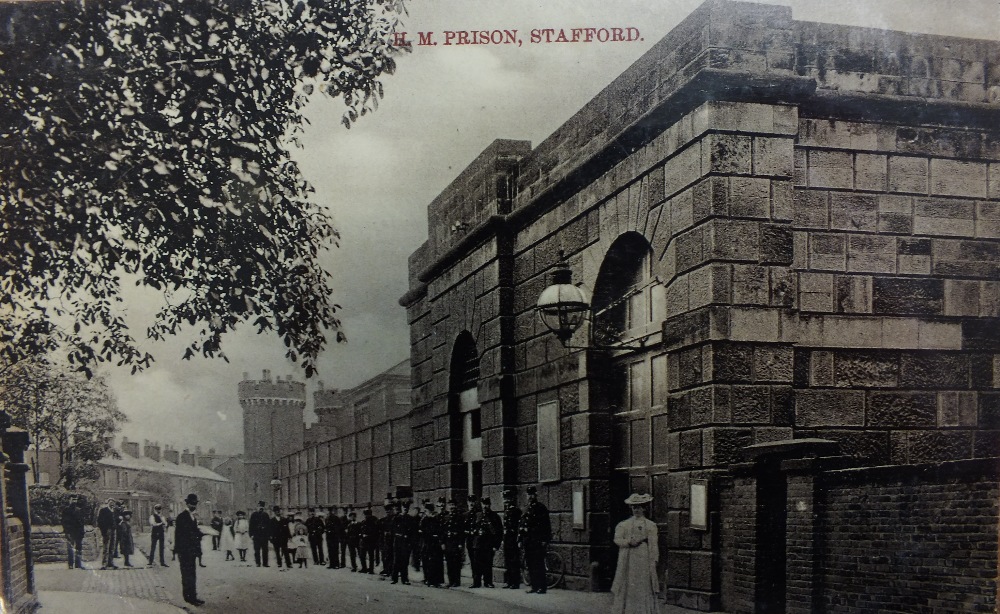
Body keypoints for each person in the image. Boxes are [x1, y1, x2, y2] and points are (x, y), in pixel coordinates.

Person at [612, 493, 660, 614]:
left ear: (644, 508)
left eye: (639, 507)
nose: (636, 510)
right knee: (628, 583)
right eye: (634, 507)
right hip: (628, 557)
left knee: (642, 584)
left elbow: (654, 544)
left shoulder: (650, 525)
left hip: (644, 558)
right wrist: (628, 542)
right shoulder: (624, 524)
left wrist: (654, 560)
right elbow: (617, 540)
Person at [521, 485, 552, 594]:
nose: (530, 496)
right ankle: (534, 586)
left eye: (532, 494)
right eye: (528, 494)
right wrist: (521, 539)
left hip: (537, 541)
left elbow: (546, 525)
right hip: (528, 541)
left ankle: (541, 587)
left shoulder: (541, 508)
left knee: (538, 564)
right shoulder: (526, 509)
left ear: (536, 495)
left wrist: (545, 540)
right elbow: (522, 525)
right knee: (530, 564)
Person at [175, 493, 205, 606]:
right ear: (187, 504)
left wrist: (200, 533)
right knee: (187, 574)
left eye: (195, 504)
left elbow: (194, 531)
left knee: (192, 574)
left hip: (191, 550)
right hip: (185, 551)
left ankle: (193, 596)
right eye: (192, 504)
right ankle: (188, 597)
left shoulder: (192, 516)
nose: (194, 506)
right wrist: (199, 534)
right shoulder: (182, 516)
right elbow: (184, 534)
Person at [390, 503, 419, 585]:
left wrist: (410, 541)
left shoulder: (410, 519)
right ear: (401, 508)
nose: (405, 509)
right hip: (398, 542)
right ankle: (394, 578)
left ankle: (404, 579)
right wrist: (398, 535)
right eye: (404, 508)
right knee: (396, 561)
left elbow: (413, 532)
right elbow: (392, 530)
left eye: (407, 508)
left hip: (406, 543)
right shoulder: (396, 518)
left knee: (405, 561)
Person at [420, 498, 445, 588]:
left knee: (435, 562)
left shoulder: (436, 519)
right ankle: (429, 579)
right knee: (428, 562)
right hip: (428, 543)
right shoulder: (424, 520)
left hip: (435, 544)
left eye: (427, 511)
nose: (426, 512)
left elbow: (440, 531)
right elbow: (423, 532)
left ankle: (436, 580)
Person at [501, 489, 523, 589]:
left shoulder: (516, 511)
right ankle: (509, 581)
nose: (506, 501)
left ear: (512, 499)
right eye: (505, 499)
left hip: (513, 539)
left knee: (514, 561)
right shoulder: (506, 511)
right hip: (507, 539)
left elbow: (519, 526)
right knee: (508, 560)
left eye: (508, 499)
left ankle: (515, 582)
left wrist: (518, 538)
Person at [442, 499, 465, 588]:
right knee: (449, 563)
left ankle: (457, 581)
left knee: (456, 563)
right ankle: (451, 581)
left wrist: (460, 543)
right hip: (448, 543)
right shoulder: (446, 517)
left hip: (456, 543)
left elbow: (461, 532)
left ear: (455, 506)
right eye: (450, 505)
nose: (451, 507)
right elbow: (443, 531)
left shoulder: (459, 517)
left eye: (453, 505)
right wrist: (442, 543)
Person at [61, 494, 86, 570]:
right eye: (72, 499)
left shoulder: (79, 510)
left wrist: (82, 532)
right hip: (70, 532)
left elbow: (82, 522)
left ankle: (78, 564)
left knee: (79, 548)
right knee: (70, 548)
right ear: (69, 500)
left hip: (78, 532)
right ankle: (71, 564)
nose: (74, 501)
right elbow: (64, 522)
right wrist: (66, 532)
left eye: (75, 500)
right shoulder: (66, 510)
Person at [97, 497, 118, 570]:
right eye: (110, 501)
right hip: (107, 530)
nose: (112, 503)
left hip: (113, 530)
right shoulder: (103, 510)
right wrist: (104, 531)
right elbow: (100, 521)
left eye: (113, 502)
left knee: (112, 547)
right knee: (106, 547)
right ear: (108, 502)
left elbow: (117, 520)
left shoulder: (114, 511)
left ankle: (110, 563)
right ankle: (104, 564)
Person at [248, 501, 271, 567]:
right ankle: (258, 563)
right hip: (256, 535)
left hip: (264, 535)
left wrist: (268, 535)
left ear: (263, 508)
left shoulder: (266, 515)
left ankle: (265, 563)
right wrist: (251, 534)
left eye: (262, 507)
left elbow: (269, 525)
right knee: (257, 550)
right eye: (259, 507)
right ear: (257, 507)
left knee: (265, 550)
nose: (260, 508)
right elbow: (251, 525)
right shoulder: (253, 515)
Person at [378, 500, 396, 576]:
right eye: (386, 510)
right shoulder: (383, 520)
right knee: (384, 555)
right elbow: (380, 530)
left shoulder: (395, 519)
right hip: (384, 541)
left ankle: (391, 570)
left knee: (391, 556)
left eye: (389, 510)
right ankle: (385, 569)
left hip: (392, 541)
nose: (388, 511)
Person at [358, 508, 378, 573]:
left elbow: (375, 532)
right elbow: (360, 531)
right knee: (362, 555)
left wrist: (368, 536)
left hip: (370, 542)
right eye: (365, 514)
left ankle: (371, 569)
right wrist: (361, 535)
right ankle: (364, 568)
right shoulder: (363, 522)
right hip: (363, 542)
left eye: (368, 514)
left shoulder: (373, 523)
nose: (366, 516)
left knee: (371, 556)